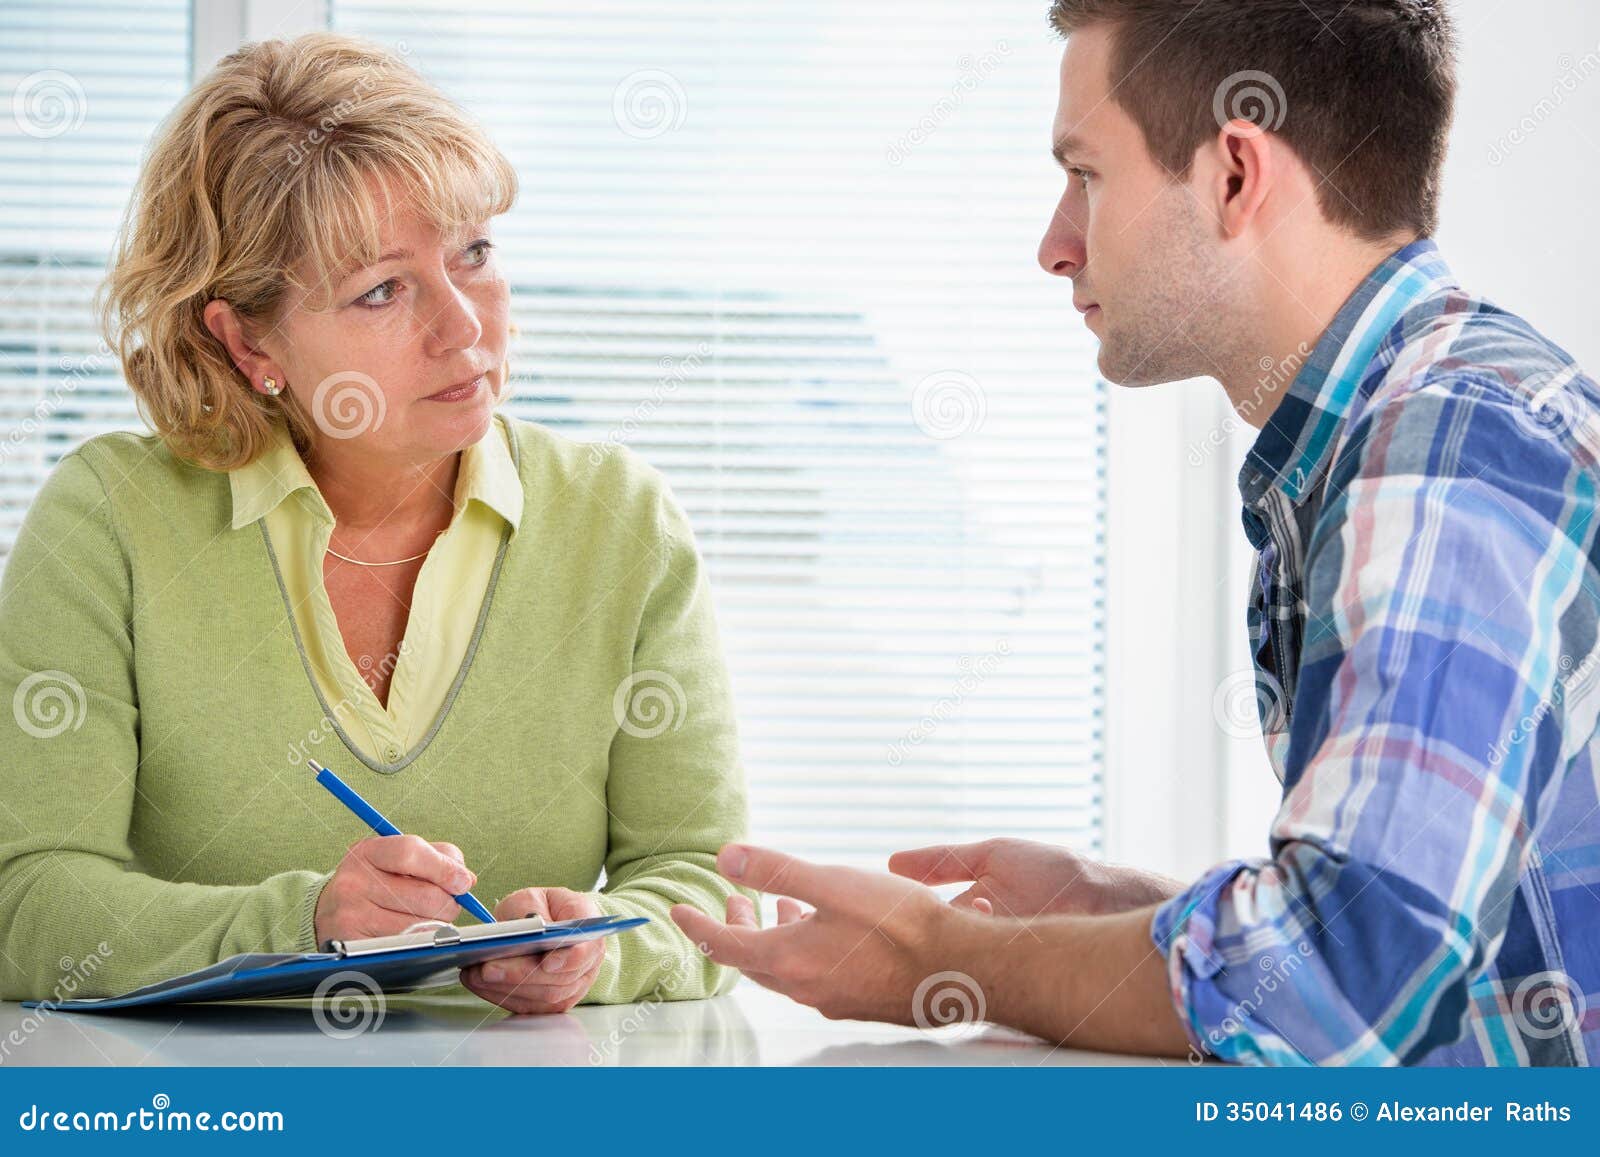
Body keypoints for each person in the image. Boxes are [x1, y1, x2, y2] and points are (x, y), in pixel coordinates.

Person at [672, 0, 1600, 1066]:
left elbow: (1344, 982)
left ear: (1234, 174)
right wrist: (1109, 909)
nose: (1053, 244)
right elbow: (1440, 949)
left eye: (1086, 173)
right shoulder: (1385, 439)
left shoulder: (1449, 451)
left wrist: (942, 955)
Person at [0, 32, 750, 1015]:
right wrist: (307, 922)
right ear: (245, 338)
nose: (466, 326)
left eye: (473, 253)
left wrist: (594, 955)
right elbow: (26, 904)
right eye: (383, 289)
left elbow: (706, 882)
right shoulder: (111, 519)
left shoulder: (622, 522)